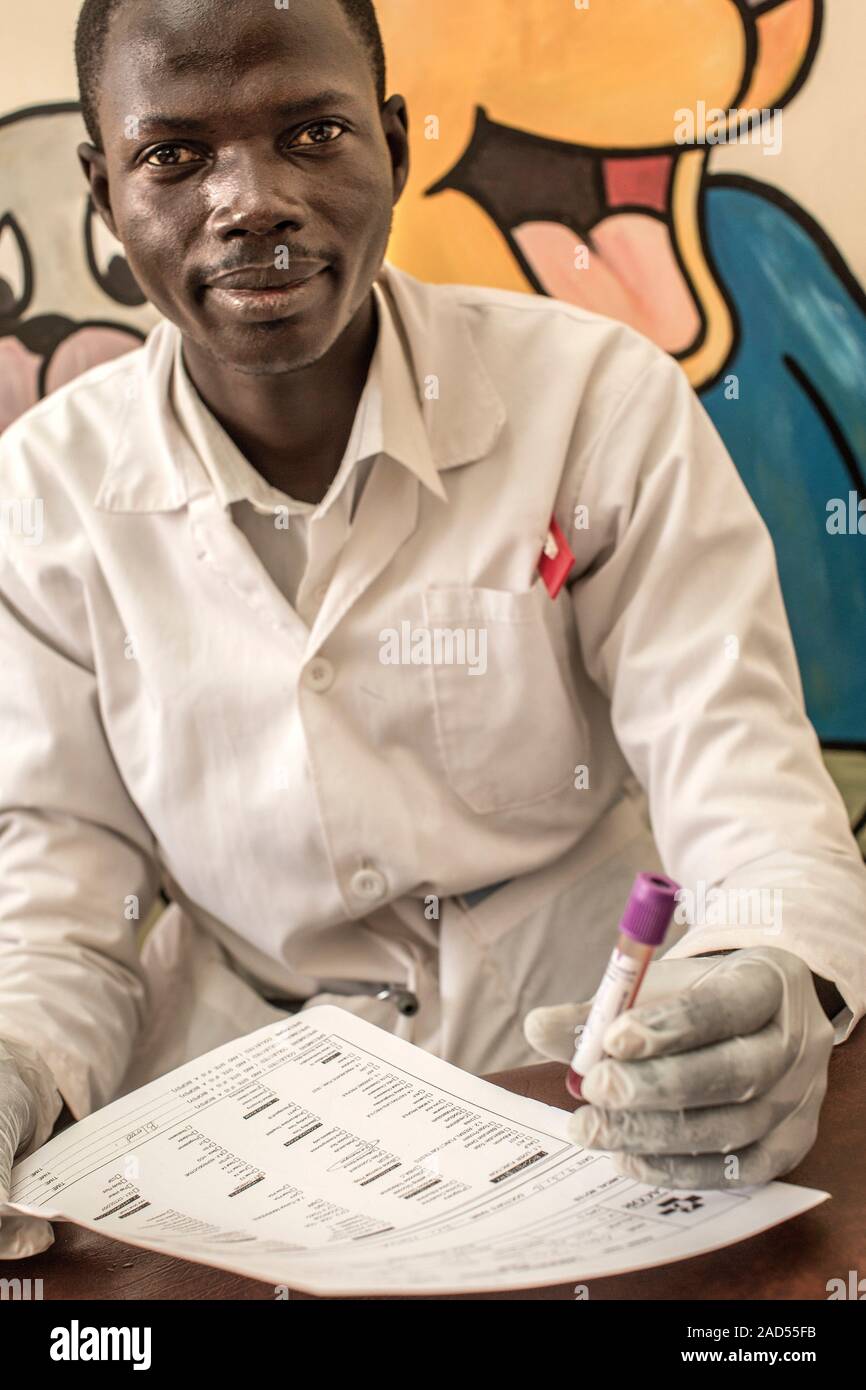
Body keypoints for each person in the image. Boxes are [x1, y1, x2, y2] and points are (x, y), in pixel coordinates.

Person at [0, 0, 863, 1260]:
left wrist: (771, 971)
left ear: (393, 145)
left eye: (310, 132)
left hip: (586, 1095)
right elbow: (60, 910)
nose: (249, 202)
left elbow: (744, 788)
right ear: (102, 185)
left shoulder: (594, 405)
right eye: (173, 155)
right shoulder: (42, 500)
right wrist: (18, 1063)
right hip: (241, 1139)